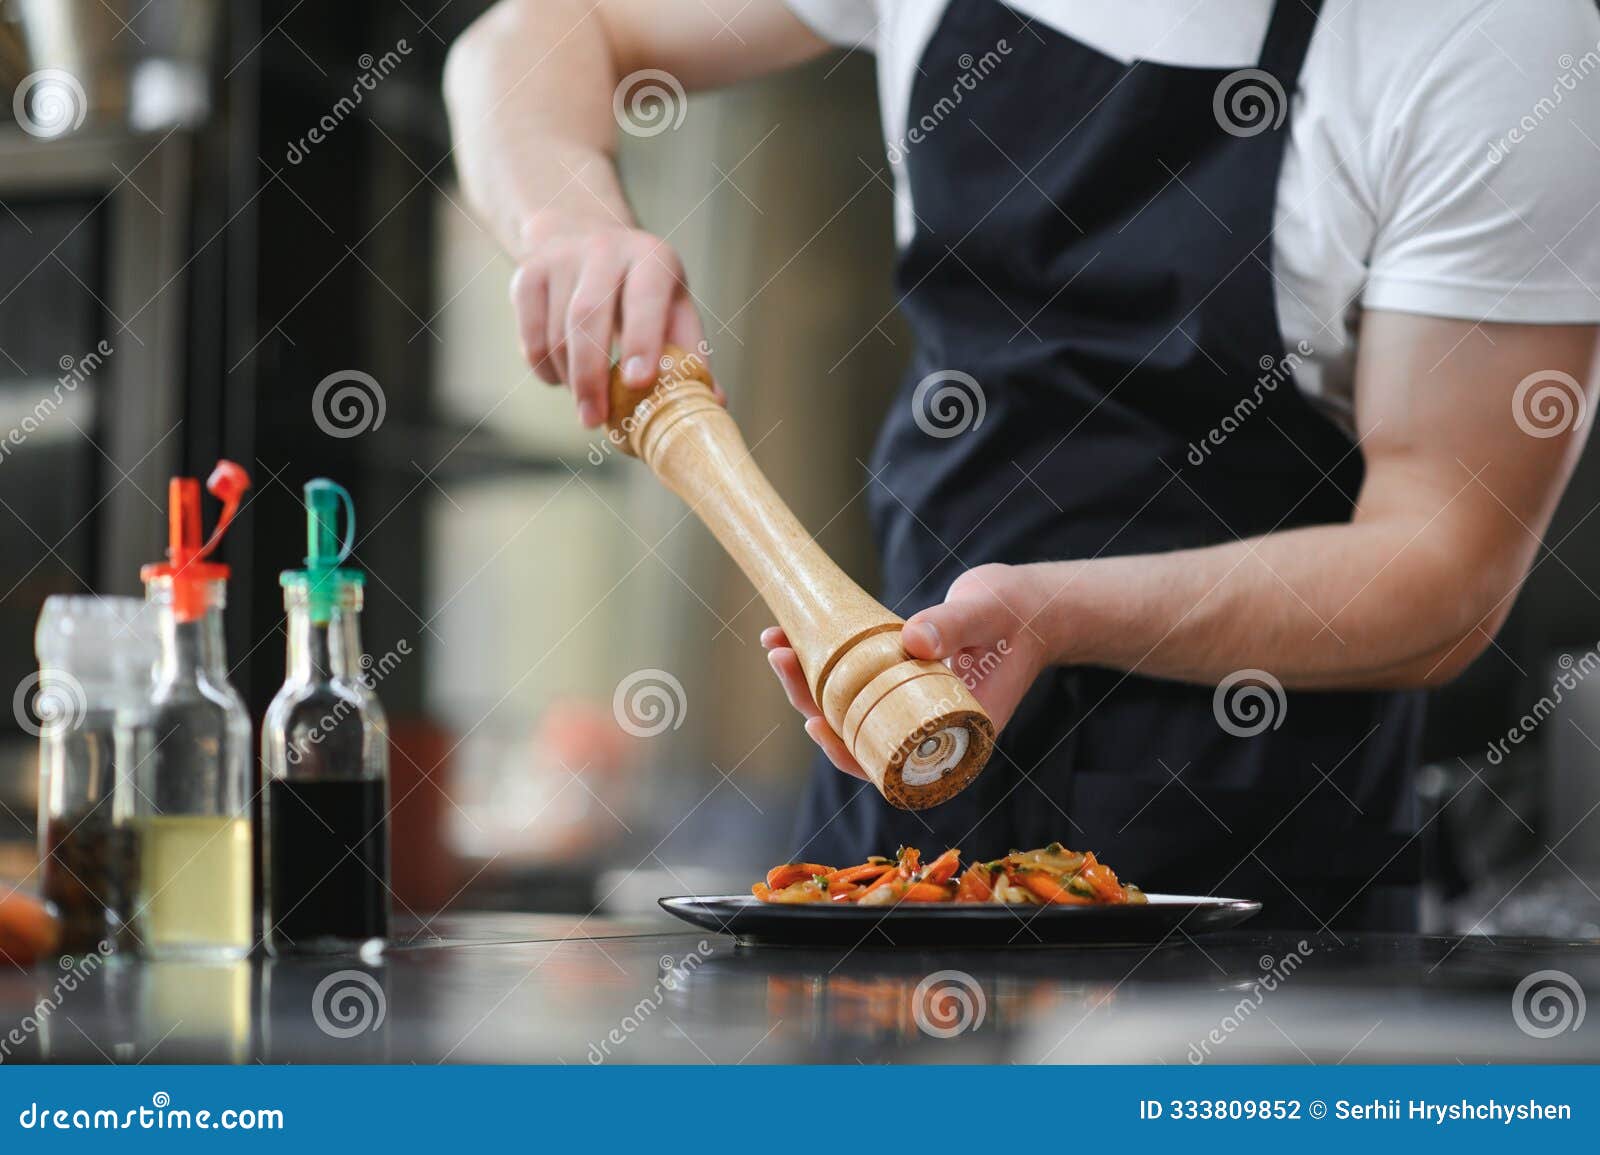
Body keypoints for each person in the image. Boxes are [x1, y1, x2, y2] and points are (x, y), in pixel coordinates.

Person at [445, 0, 1600, 929]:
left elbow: (1442, 567)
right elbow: (541, 32)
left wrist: (1055, 613)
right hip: (894, 779)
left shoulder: (1498, 39)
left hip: (1246, 874)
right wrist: (567, 225)